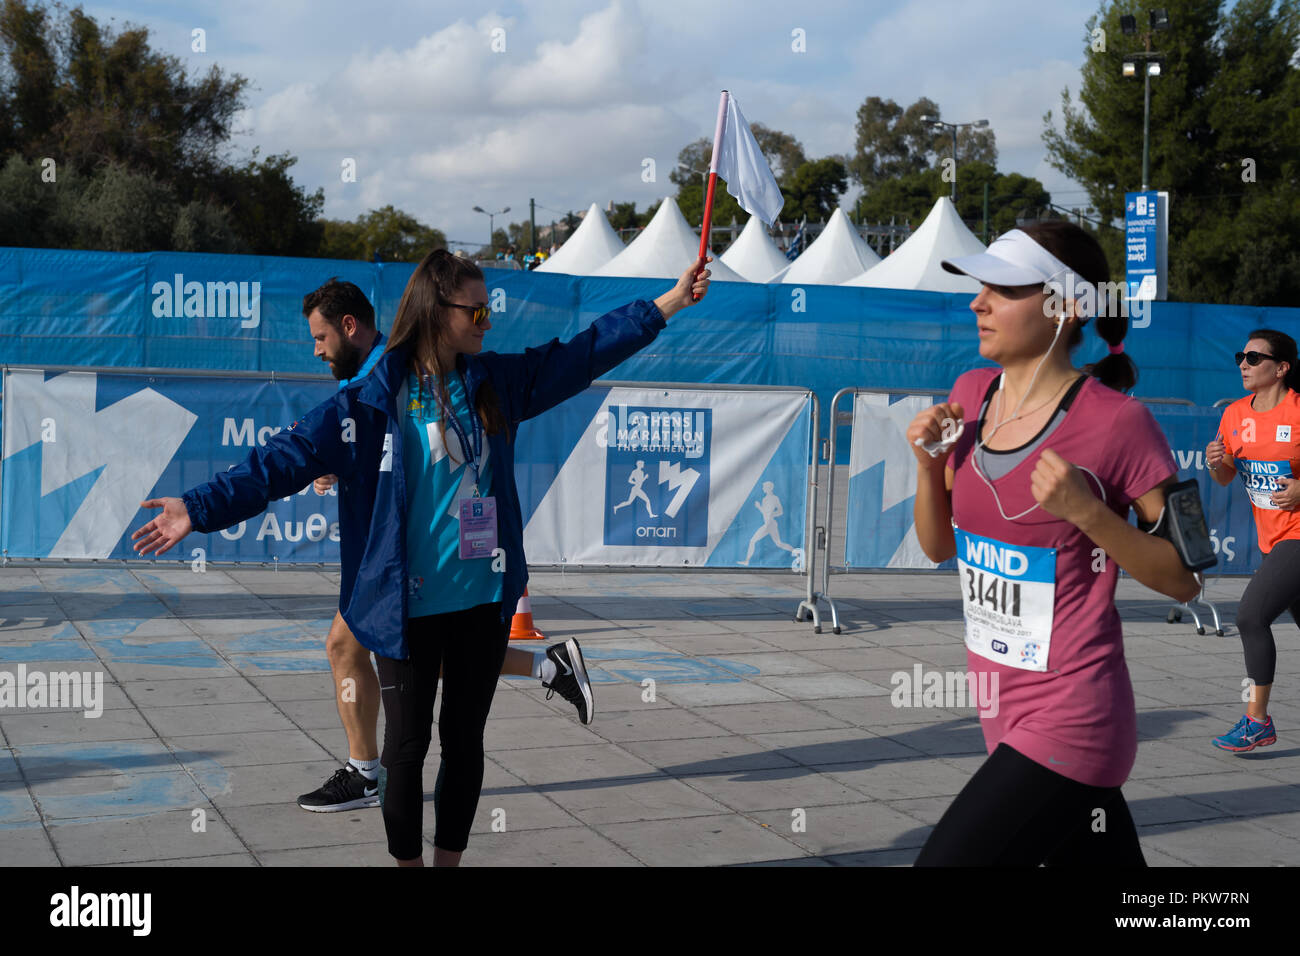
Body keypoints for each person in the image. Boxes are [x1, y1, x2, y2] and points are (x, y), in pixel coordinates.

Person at [132, 250, 711, 866]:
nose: (489, 320)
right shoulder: (372, 401)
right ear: (438, 311)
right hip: (405, 610)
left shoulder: (494, 381)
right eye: (477, 309)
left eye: (490, 307)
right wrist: (198, 507)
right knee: (406, 751)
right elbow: (279, 460)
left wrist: (668, 303)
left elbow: (585, 353)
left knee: (465, 747)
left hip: (483, 603)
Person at [905, 221, 1199, 866]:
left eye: (1002, 289)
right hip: (997, 706)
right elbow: (937, 548)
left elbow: (1187, 578)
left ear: (1065, 307)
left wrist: (1088, 514)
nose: (978, 303)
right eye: (980, 287)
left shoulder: (1121, 422)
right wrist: (929, 465)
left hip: (1074, 713)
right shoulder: (970, 397)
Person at [297, 279, 595, 816]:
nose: (316, 350)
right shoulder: (382, 374)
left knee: (367, 650)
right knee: (407, 655)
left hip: (424, 558)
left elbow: (414, 456)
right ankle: (547, 668)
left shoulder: (395, 371)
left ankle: (368, 773)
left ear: (349, 327)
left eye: (320, 337)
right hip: (404, 561)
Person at [1205, 329, 1300, 752]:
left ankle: (1257, 721)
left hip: (1296, 538)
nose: (1243, 363)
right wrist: (1215, 464)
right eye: (1241, 355)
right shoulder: (1234, 414)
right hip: (1272, 538)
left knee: (1249, 616)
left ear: (1281, 368)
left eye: (1254, 358)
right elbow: (1225, 477)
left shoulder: (1298, 412)